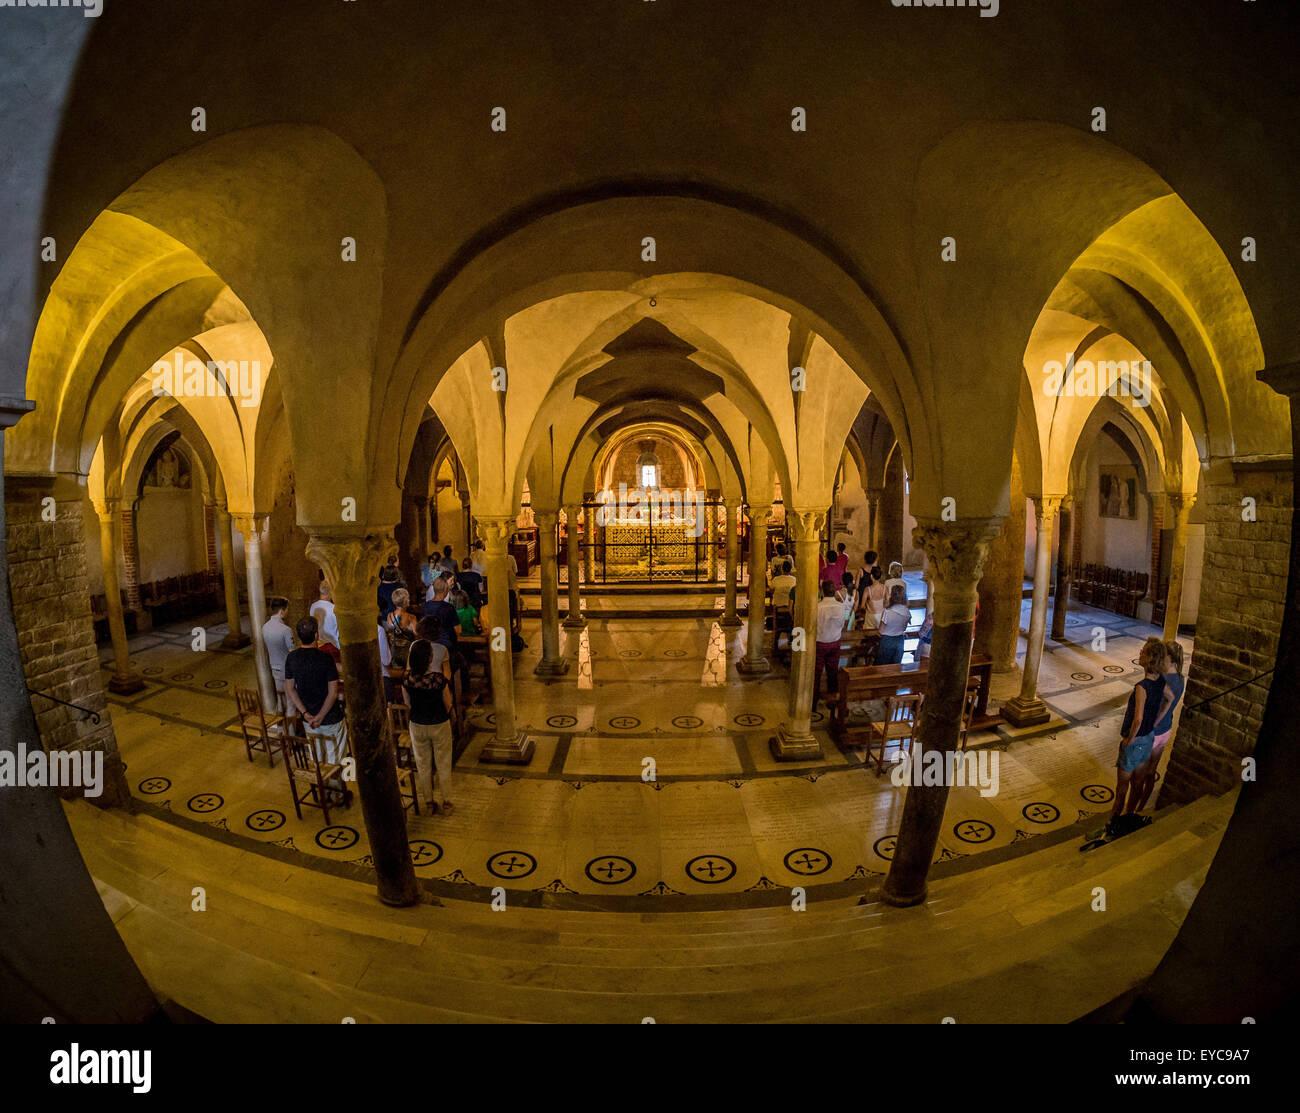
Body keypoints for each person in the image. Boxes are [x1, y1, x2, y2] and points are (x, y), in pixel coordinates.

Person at [1110, 638, 1168, 825]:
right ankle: (1130, 815)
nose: (1140, 654)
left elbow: (1138, 719)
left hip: (1135, 741)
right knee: (1137, 782)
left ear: (1150, 658)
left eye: (1143, 652)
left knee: (1122, 786)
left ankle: (1114, 822)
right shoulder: (1161, 681)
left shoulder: (1141, 687)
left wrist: (1129, 740)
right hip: (1149, 738)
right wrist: (1157, 720)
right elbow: (1170, 698)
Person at [403, 638, 455, 815]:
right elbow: (447, 703)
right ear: (429, 659)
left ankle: (429, 802)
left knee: (423, 764)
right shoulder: (438, 680)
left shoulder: (407, 679)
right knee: (443, 763)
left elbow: (407, 702)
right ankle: (447, 801)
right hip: (439, 723)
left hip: (417, 723)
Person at [1132, 639, 1185, 813]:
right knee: (1151, 772)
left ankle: (1130, 812)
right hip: (1166, 731)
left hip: (1152, 734)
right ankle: (1141, 807)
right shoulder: (1180, 678)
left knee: (1137, 777)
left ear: (1170, 659)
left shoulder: (1162, 681)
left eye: (1163, 656)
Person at [284, 617, 347, 762]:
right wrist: (321, 715)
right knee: (336, 760)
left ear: (298, 636)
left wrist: (305, 713)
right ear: (316, 635)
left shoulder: (292, 658)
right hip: (330, 718)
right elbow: (333, 692)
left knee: (316, 758)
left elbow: (290, 689)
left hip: (309, 720)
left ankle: (320, 784)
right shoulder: (326, 658)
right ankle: (336, 784)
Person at [260, 596, 295, 714]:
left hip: (274, 668)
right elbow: (291, 652)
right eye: (287, 610)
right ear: (281, 611)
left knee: (280, 702)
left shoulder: (265, 627)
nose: (287, 612)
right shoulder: (285, 630)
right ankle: (290, 731)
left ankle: (281, 730)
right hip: (286, 670)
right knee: (290, 703)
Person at [814, 579, 846, 706]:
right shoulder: (841, 606)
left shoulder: (818, 607)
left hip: (820, 643)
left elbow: (813, 625)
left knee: (816, 673)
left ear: (822, 591)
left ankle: (813, 700)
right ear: (834, 592)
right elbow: (842, 624)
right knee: (832, 673)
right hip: (835, 642)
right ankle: (832, 699)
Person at [876, 583, 911, 665]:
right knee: (896, 667)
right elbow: (904, 628)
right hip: (899, 641)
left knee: (882, 668)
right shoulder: (907, 613)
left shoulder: (887, 612)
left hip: (887, 641)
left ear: (892, 596)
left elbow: (880, 631)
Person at [309, 582, 339, 647]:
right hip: (333, 646)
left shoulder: (313, 606)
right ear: (330, 592)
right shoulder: (334, 608)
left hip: (319, 645)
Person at [859, 565, 886, 632]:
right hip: (881, 616)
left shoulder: (867, 590)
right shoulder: (885, 588)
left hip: (871, 617)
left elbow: (862, 606)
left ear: (871, 576)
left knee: (869, 634)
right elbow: (888, 603)